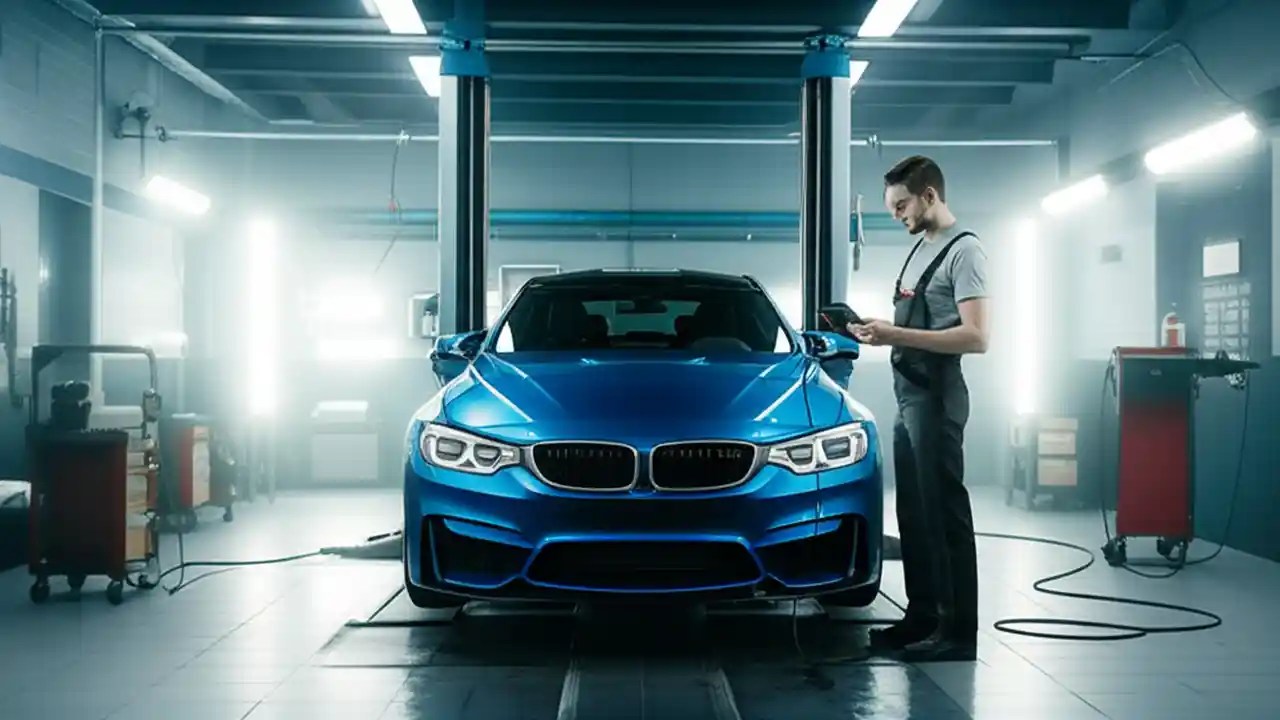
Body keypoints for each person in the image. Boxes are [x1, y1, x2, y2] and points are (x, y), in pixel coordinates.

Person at [850, 156, 989, 662]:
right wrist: (874, 329)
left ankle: (957, 633)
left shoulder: (965, 251)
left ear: (929, 195)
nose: (897, 215)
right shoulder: (918, 250)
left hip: (937, 397)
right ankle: (923, 616)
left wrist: (894, 334)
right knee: (912, 510)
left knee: (944, 513)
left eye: (902, 205)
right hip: (907, 396)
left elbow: (977, 337)